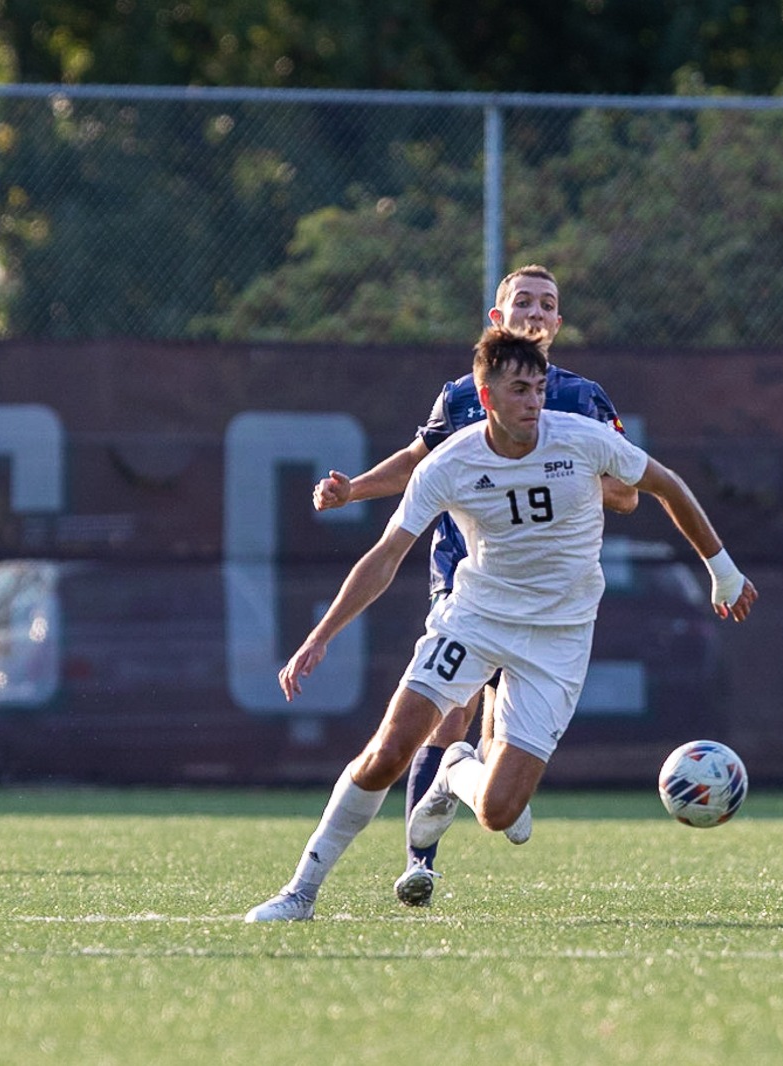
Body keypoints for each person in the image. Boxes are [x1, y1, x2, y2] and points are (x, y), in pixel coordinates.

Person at [244, 326, 756, 923]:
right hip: (475, 620)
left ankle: (454, 771)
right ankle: (300, 892)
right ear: (486, 397)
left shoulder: (581, 438)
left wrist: (722, 570)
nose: (534, 402)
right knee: (388, 751)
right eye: (518, 390)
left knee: (500, 813)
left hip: (559, 638)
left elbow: (664, 485)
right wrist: (319, 636)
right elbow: (385, 556)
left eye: (538, 388)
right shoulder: (451, 461)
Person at [311, 264, 638, 909]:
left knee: (496, 757)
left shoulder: (583, 400)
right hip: (467, 579)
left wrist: (557, 480)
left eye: (548, 305)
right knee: (444, 713)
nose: (536, 313)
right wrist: (355, 489)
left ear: (559, 324)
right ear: (498, 319)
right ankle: (419, 861)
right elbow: (418, 462)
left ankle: (469, 782)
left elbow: (627, 495)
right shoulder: (462, 396)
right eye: (523, 302)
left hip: (547, 595)